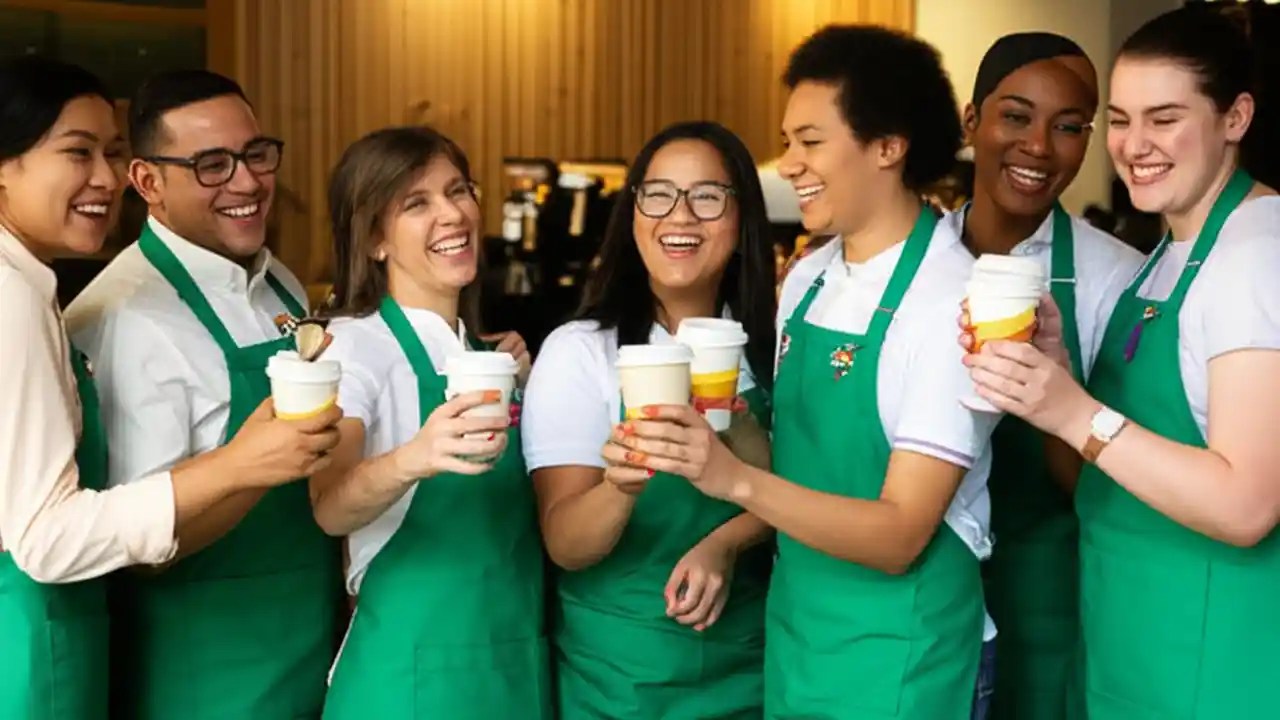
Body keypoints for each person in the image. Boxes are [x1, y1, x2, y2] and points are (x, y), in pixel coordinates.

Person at [612, 26, 1001, 719]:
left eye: (810, 141)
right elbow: (791, 466)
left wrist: (731, 478)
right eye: (788, 141)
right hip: (801, 639)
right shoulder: (812, 279)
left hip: (904, 655)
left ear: (888, 146)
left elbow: (899, 535)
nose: (787, 164)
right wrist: (709, 425)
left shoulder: (952, 302)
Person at [964, 7, 1280, 719]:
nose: (1136, 145)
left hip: (1210, 661)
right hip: (1131, 640)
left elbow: (1248, 504)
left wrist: (1072, 411)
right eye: (1122, 120)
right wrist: (1056, 370)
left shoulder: (1253, 258)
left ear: (1236, 117)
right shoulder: (1172, 253)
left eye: (1165, 119)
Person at [64, 70, 344, 718]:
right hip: (207, 671)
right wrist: (257, 463)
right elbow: (140, 550)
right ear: (148, 182)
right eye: (212, 165)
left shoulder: (282, 287)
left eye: (255, 154)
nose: (247, 182)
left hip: (309, 641)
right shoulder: (120, 317)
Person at [521, 120, 777, 719]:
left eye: (707, 197)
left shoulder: (776, 348)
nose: (680, 216)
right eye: (658, 194)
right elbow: (565, 543)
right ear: (632, 216)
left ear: (742, 222)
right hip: (620, 682)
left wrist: (726, 542)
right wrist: (620, 485)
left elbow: (801, 495)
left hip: (759, 670)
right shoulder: (582, 351)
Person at [311, 126, 549, 718]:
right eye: (417, 204)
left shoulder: (487, 358)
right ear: (374, 241)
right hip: (409, 680)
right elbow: (330, 506)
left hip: (514, 667)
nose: (452, 213)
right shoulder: (355, 347)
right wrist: (415, 456)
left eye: (458, 190)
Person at [951, 32, 1144, 720]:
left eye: (1069, 127)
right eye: (1016, 116)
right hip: (931, 595)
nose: (1039, 145)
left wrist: (1053, 391)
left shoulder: (1115, 279)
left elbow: (1115, 486)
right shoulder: (916, 264)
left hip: (1056, 598)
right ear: (971, 121)